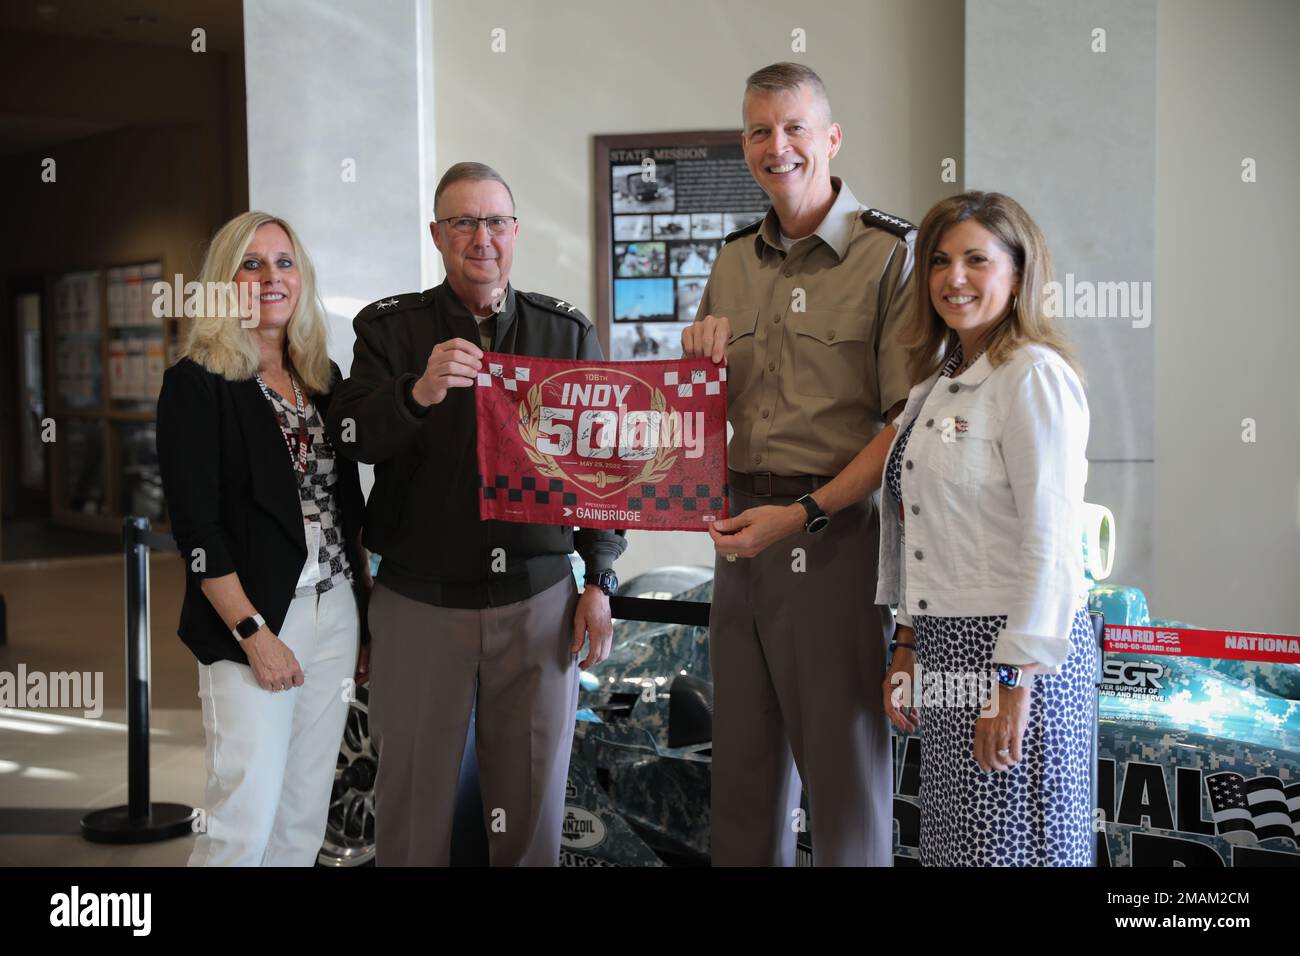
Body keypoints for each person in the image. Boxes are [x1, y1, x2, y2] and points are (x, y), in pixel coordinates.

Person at [325, 161, 627, 867]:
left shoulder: (565, 333)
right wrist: (417, 392)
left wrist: (601, 578)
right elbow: (350, 435)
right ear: (437, 234)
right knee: (410, 814)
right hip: (419, 600)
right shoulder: (389, 329)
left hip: (539, 597)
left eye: (495, 221)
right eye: (462, 222)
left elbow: (601, 472)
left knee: (529, 814)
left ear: (515, 232)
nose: (480, 238)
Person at [681, 62, 916, 866]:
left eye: (792, 128)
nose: (774, 146)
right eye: (757, 130)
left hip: (835, 537)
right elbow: (706, 414)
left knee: (844, 790)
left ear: (831, 138)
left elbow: (901, 428)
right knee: (741, 785)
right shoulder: (733, 260)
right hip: (740, 536)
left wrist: (806, 514)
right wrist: (694, 367)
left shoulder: (891, 257)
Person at [877, 191, 1095, 865]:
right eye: (939, 261)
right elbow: (918, 527)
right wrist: (908, 644)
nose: (954, 278)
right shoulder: (940, 382)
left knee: (1013, 847)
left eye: (977, 259)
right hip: (945, 647)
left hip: (1017, 654)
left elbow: (1052, 542)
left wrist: (1013, 682)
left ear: (1020, 272)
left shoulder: (1033, 376)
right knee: (956, 847)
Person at [156, 211, 369, 866]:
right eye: (251, 263)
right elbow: (197, 530)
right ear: (225, 281)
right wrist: (254, 633)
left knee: (304, 812)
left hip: (334, 610)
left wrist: (366, 617)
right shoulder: (196, 382)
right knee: (243, 814)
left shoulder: (321, 377)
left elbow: (344, 507)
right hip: (251, 617)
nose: (270, 277)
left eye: (283, 262)